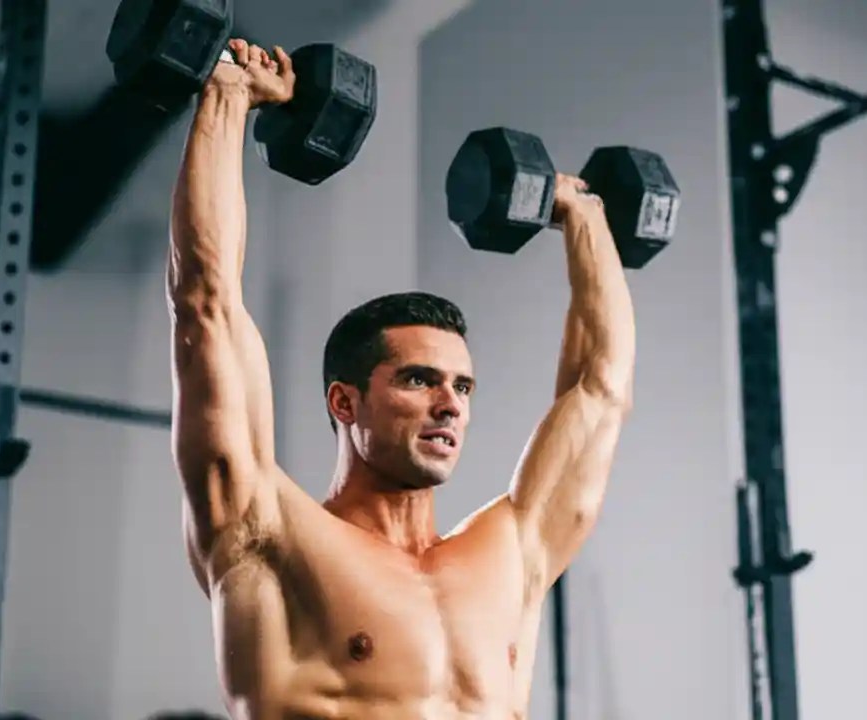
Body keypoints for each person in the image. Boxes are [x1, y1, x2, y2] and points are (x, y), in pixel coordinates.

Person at [167, 39, 635, 720]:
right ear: (345, 401)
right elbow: (205, 304)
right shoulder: (267, 532)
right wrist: (229, 93)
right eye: (419, 380)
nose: (450, 405)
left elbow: (600, 390)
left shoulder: (511, 553)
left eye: (463, 387)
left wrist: (584, 215)